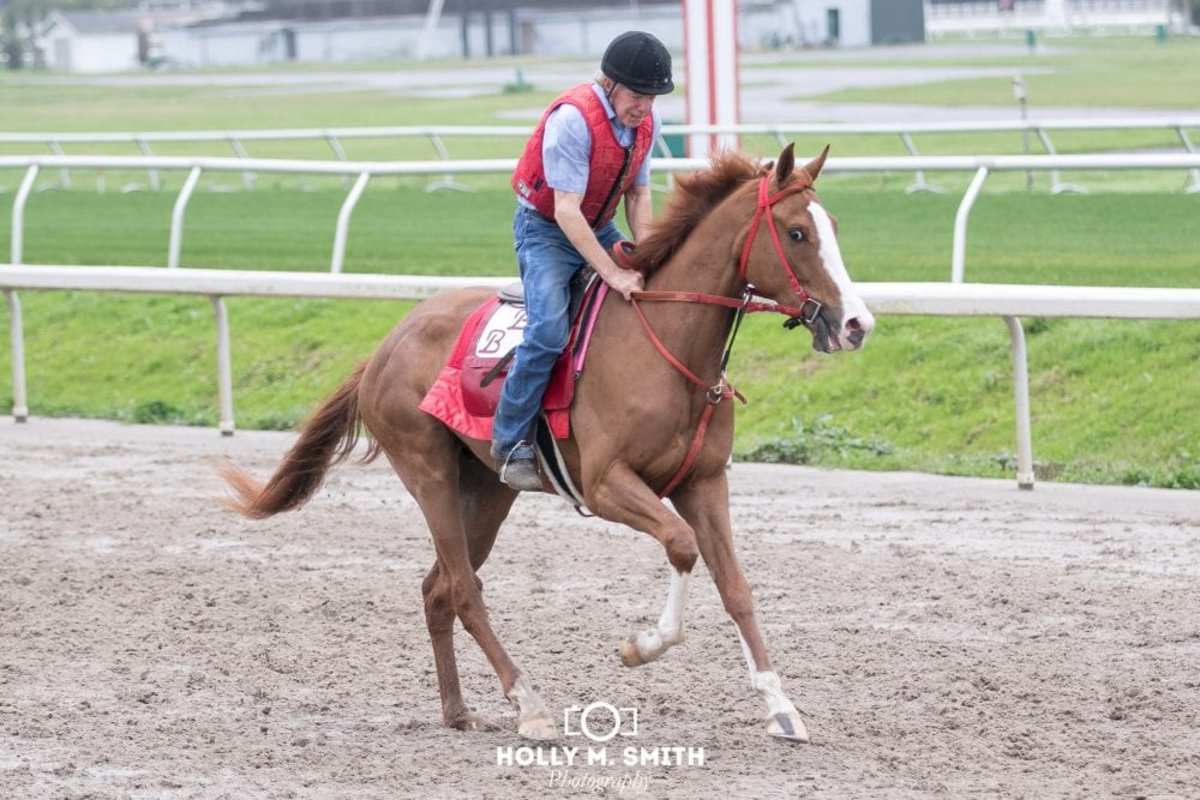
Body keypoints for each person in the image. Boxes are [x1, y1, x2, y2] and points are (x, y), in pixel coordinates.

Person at [489, 30, 674, 491]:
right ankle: (509, 439)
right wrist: (611, 272)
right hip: (547, 230)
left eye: (652, 98)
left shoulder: (645, 124)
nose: (644, 108)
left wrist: (646, 252)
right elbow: (566, 211)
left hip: (598, 222)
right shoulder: (572, 119)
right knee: (549, 331)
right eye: (637, 96)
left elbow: (639, 192)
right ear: (610, 84)